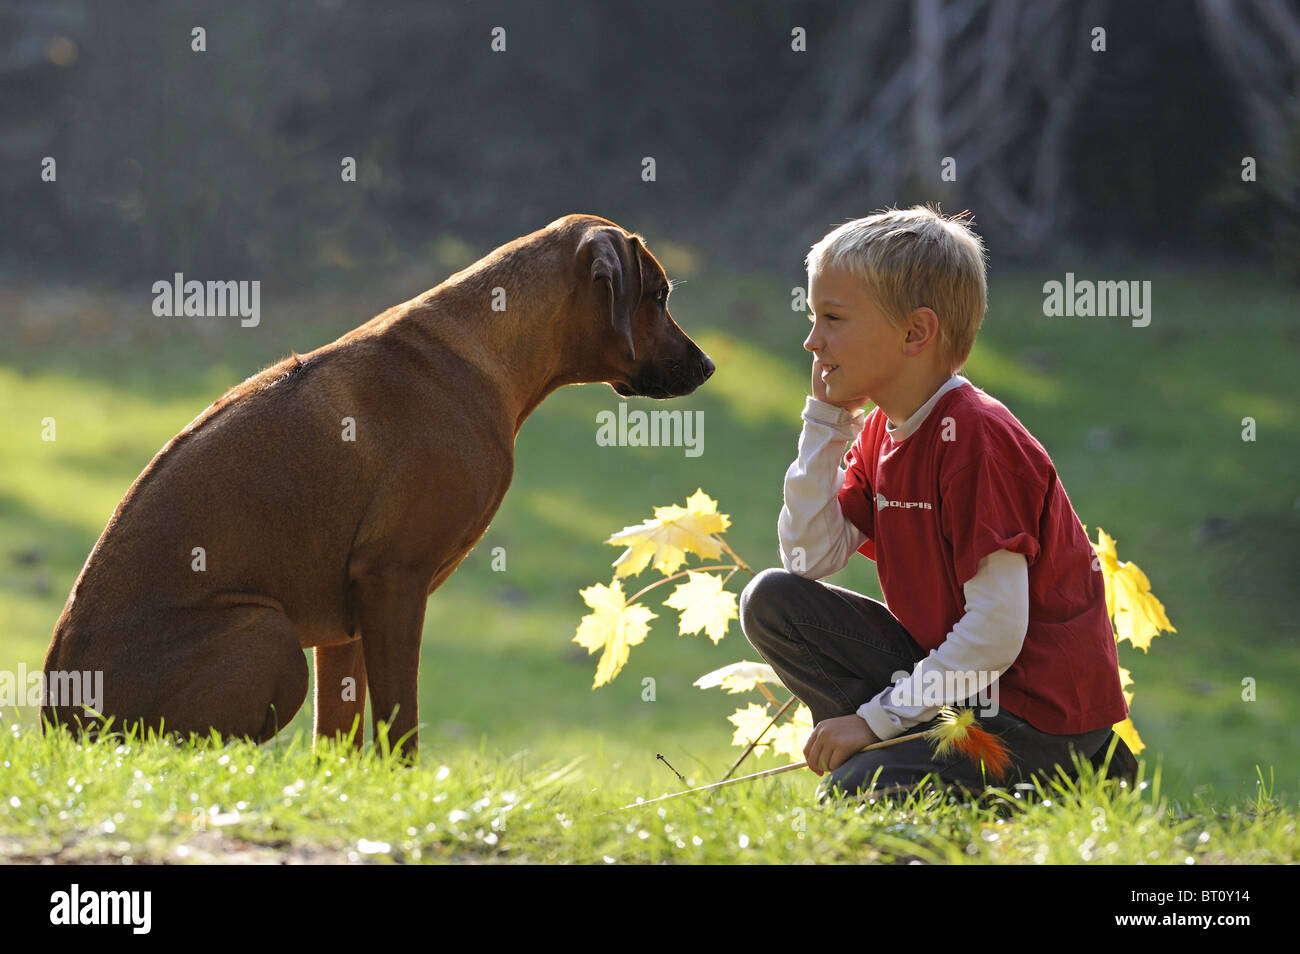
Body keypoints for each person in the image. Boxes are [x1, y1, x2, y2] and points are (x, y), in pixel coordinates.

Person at [740, 205, 1136, 801]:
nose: (811, 339)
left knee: (853, 795)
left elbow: (997, 634)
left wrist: (869, 720)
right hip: (965, 692)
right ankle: (897, 751)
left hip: (1033, 720)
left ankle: (1052, 781)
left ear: (914, 333)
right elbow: (809, 558)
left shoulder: (976, 437)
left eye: (832, 318)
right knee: (771, 600)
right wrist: (824, 425)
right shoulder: (880, 431)